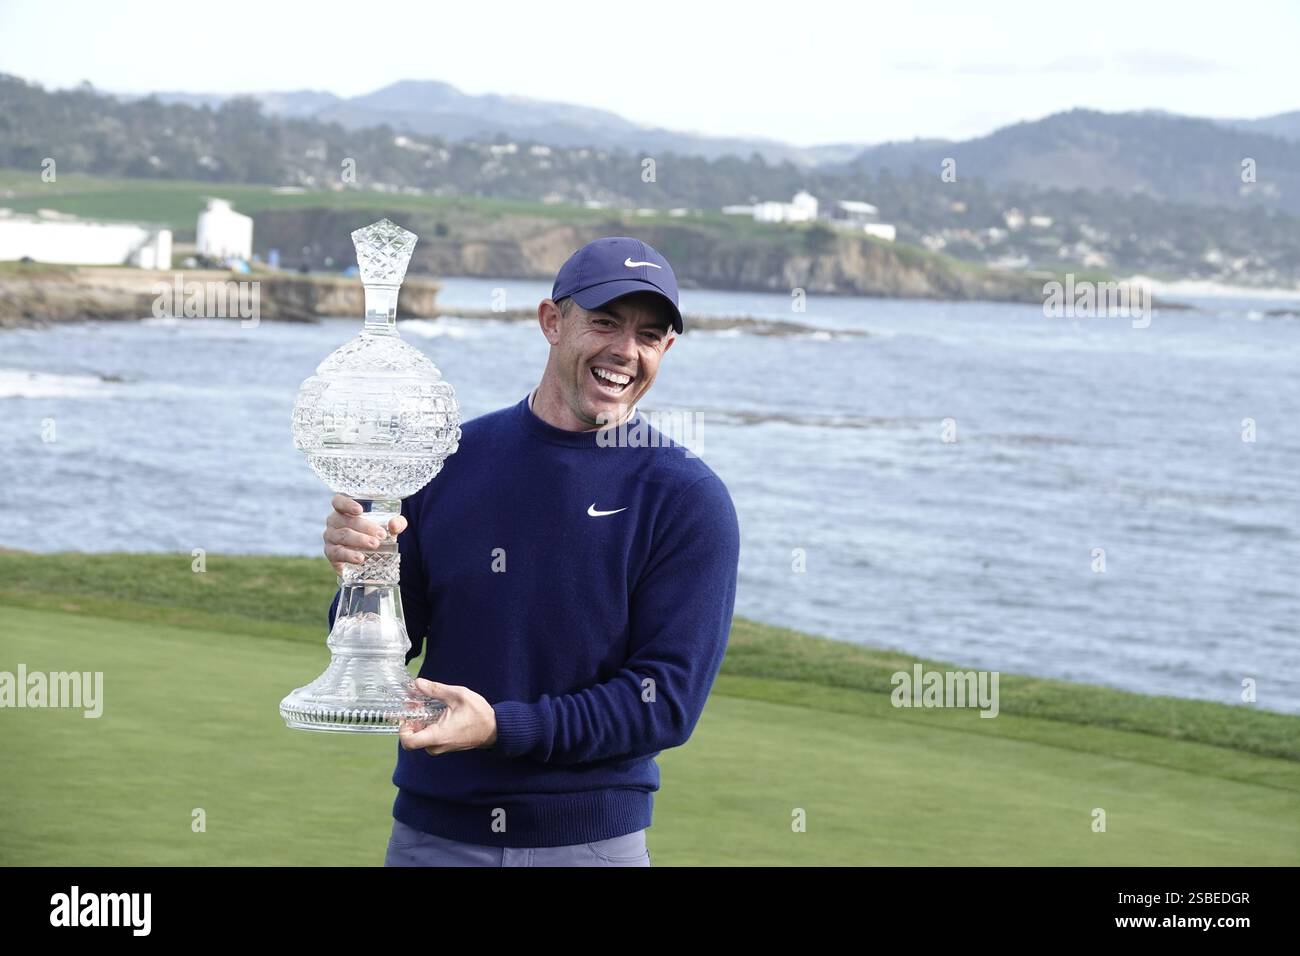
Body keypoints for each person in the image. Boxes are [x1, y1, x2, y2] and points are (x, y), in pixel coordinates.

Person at [322, 237, 741, 866]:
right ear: (552, 321)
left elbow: (666, 703)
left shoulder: (686, 498)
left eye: (649, 335)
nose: (625, 351)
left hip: (592, 847)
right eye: (605, 322)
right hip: (432, 840)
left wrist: (501, 727)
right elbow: (387, 649)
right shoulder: (443, 462)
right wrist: (362, 574)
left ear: (666, 349)